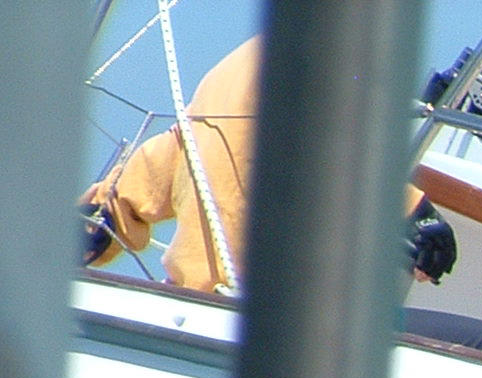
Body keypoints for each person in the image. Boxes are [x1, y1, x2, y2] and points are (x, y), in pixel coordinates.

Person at [81, 37, 455, 295]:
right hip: (269, 322)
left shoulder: (237, 69)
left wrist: (101, 219)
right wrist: (415, 214)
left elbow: (172, 156)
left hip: (198, 301)